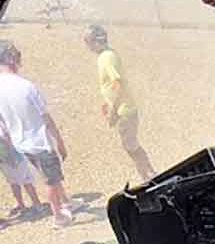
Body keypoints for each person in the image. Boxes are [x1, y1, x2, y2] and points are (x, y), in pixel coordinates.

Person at [0, 41, 73, 226]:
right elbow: (46, 117)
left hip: (20, 142)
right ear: (11, 59)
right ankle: (59, 216)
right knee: (51, 179)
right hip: (39, 141)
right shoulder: (26, 86)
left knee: (46, 174)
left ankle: (65, 202)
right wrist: (60, 142)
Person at [84, 24, 153, 181]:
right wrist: (107, 103)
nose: (86, 45)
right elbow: (111, 85)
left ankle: (149, 175)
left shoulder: (106, 57)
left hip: (124, 111)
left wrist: (113, 111)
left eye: (87, 41)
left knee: (130, 145)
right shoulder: (107, 55)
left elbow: (118, 83)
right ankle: (147, 175)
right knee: (130, 144)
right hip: (122, 108)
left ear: (95, 41)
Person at [0, 121, 42, 220]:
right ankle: (36, 204)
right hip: (14, 158)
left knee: (14, 183)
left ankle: (21, 205)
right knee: (26, 181)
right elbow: (7, 139)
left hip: (4, 160)